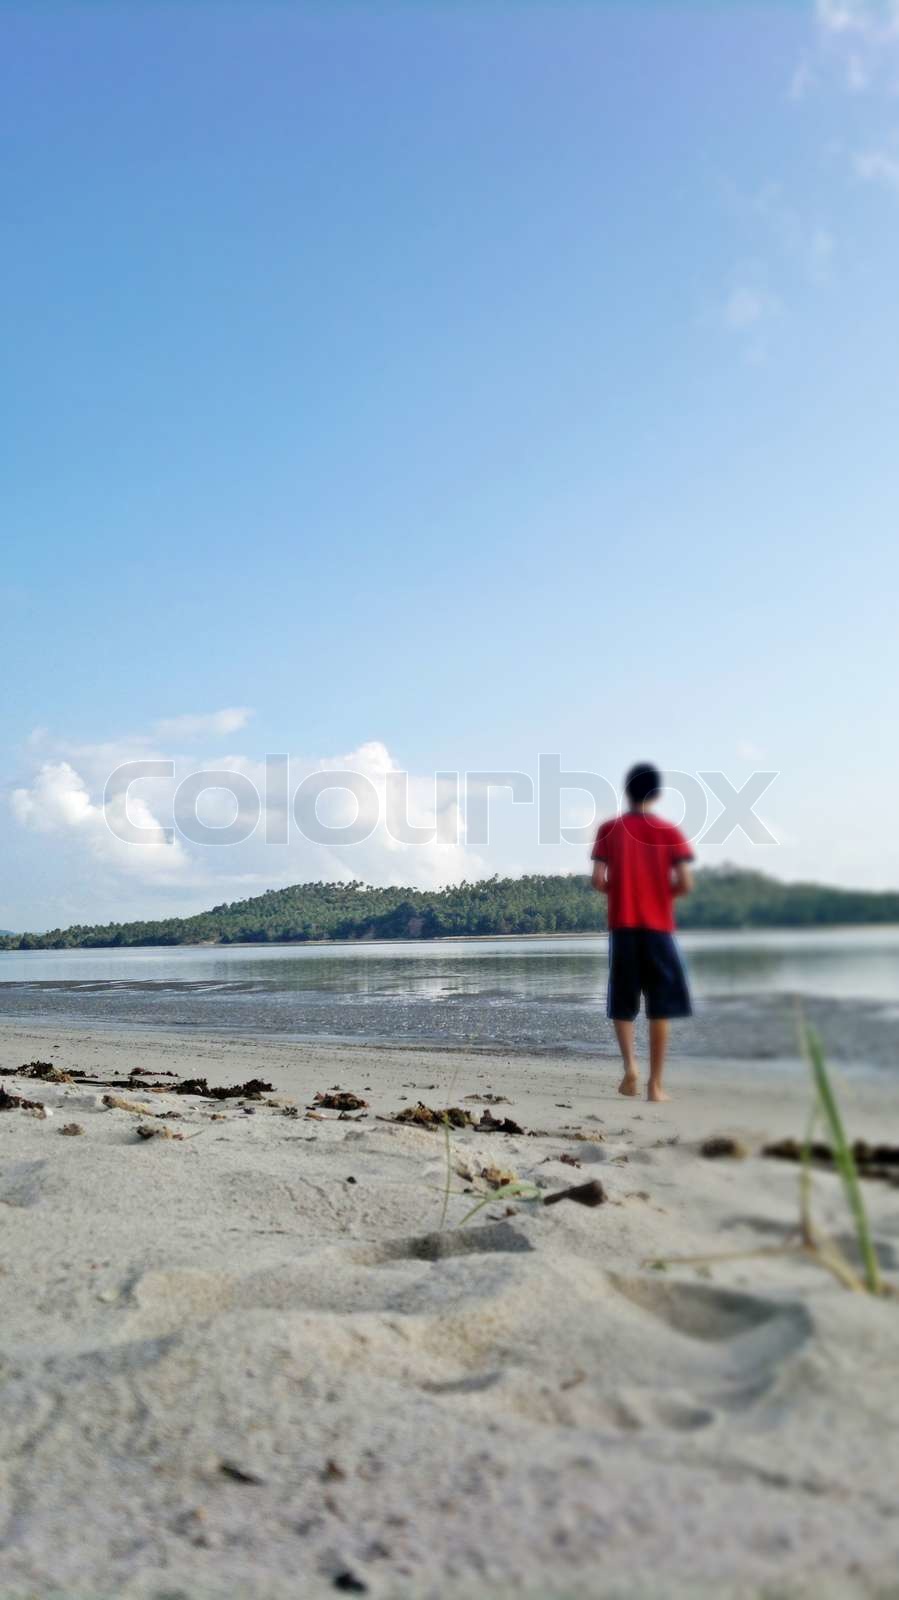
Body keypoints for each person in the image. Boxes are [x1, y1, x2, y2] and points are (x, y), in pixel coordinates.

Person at [590, 763, 694, 1102]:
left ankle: (631, 1069)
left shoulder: (609, 829)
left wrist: (622, 893)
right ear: (657, 794)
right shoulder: (669, 832)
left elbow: (598, 881)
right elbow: (685, 883)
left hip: (623, 927)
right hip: (658, 929)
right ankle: (656, 1086)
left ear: (627, 791)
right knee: (660, 1006)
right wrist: (660, 895)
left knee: (622, 1001)